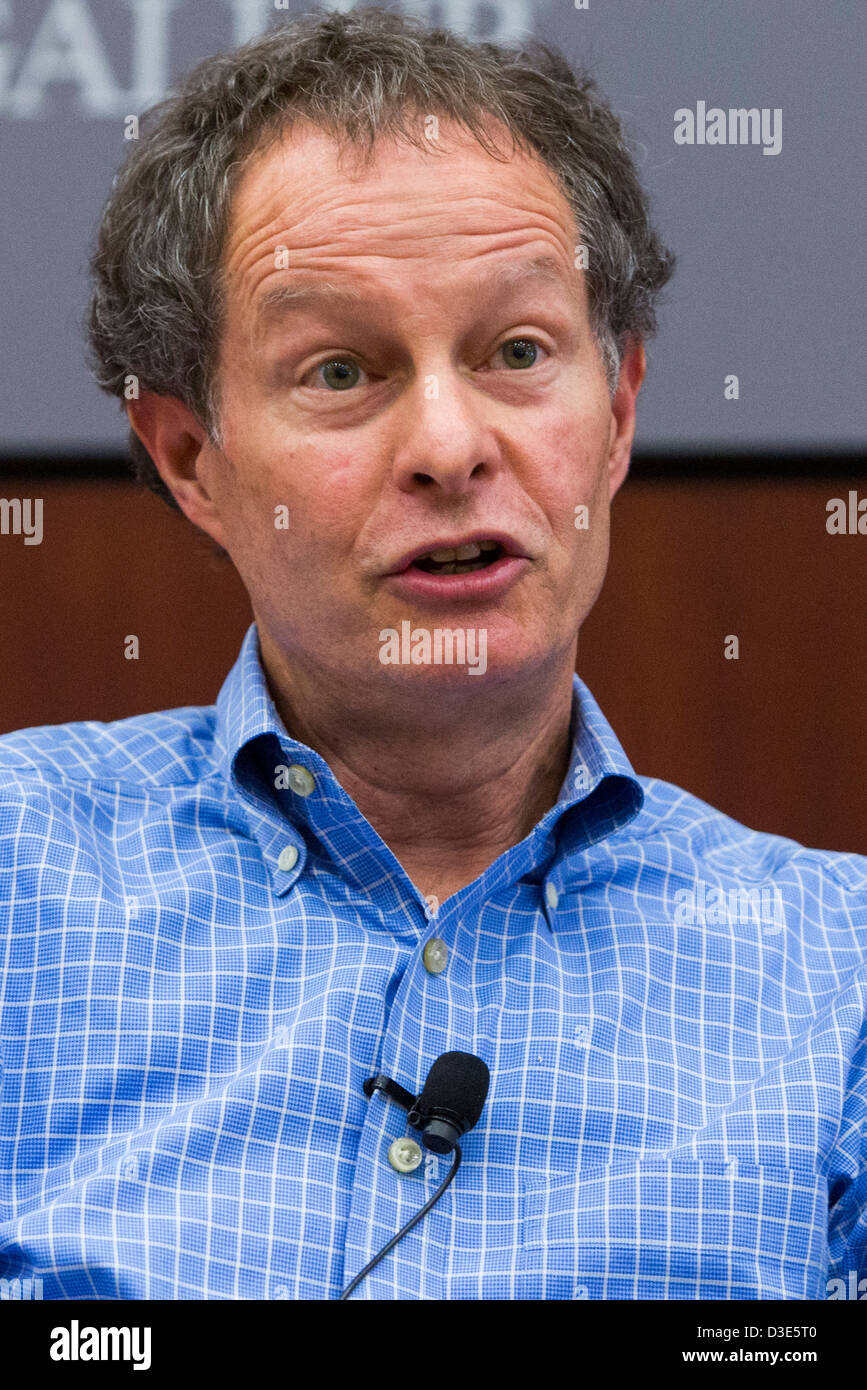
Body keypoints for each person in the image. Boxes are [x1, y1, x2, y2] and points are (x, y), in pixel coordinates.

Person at [1, 7, 863, 1302]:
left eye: (518, 351)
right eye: (342, 370)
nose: (451, 448)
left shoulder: (837, 978)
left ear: (617, 412)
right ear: (193, 458)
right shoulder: (20, 881)